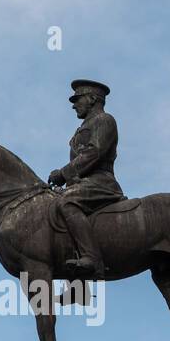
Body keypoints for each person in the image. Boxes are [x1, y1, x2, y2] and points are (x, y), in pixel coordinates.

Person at [47, 80, 125, 279]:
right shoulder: (84, 126)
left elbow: (94, 152)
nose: (73, 105)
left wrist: (63, 173)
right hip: (83, 184)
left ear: (92, 99)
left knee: (67, 203)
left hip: (101, 182)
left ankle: (92, 259)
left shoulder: (105, 120)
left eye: (77, 99)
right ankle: (78, 285)